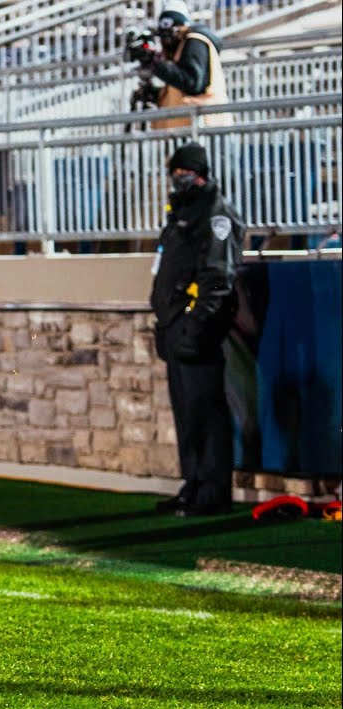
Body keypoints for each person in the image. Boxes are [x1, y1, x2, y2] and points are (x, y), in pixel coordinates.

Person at [151, 142, 243, 517]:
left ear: (199, 173)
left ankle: (213, 491)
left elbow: (217, 279)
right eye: (174, 173)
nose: (177, 179)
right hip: (174, 326)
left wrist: (195, 325)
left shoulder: (215, 214)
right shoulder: (182, 213)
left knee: (207, 412)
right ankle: (193, 483)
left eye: (183, 172)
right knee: (186, 413)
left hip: (197, 330)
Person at [149, 0, 230, 129]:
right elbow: (181, 89)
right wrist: (157, 94)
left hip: (204, 129)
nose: (167, 42)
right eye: (163, 37)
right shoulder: (180, 50)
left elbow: (191, 82)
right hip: (187, 128)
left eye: (170, 35)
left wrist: (156, 64)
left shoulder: (195, 41)